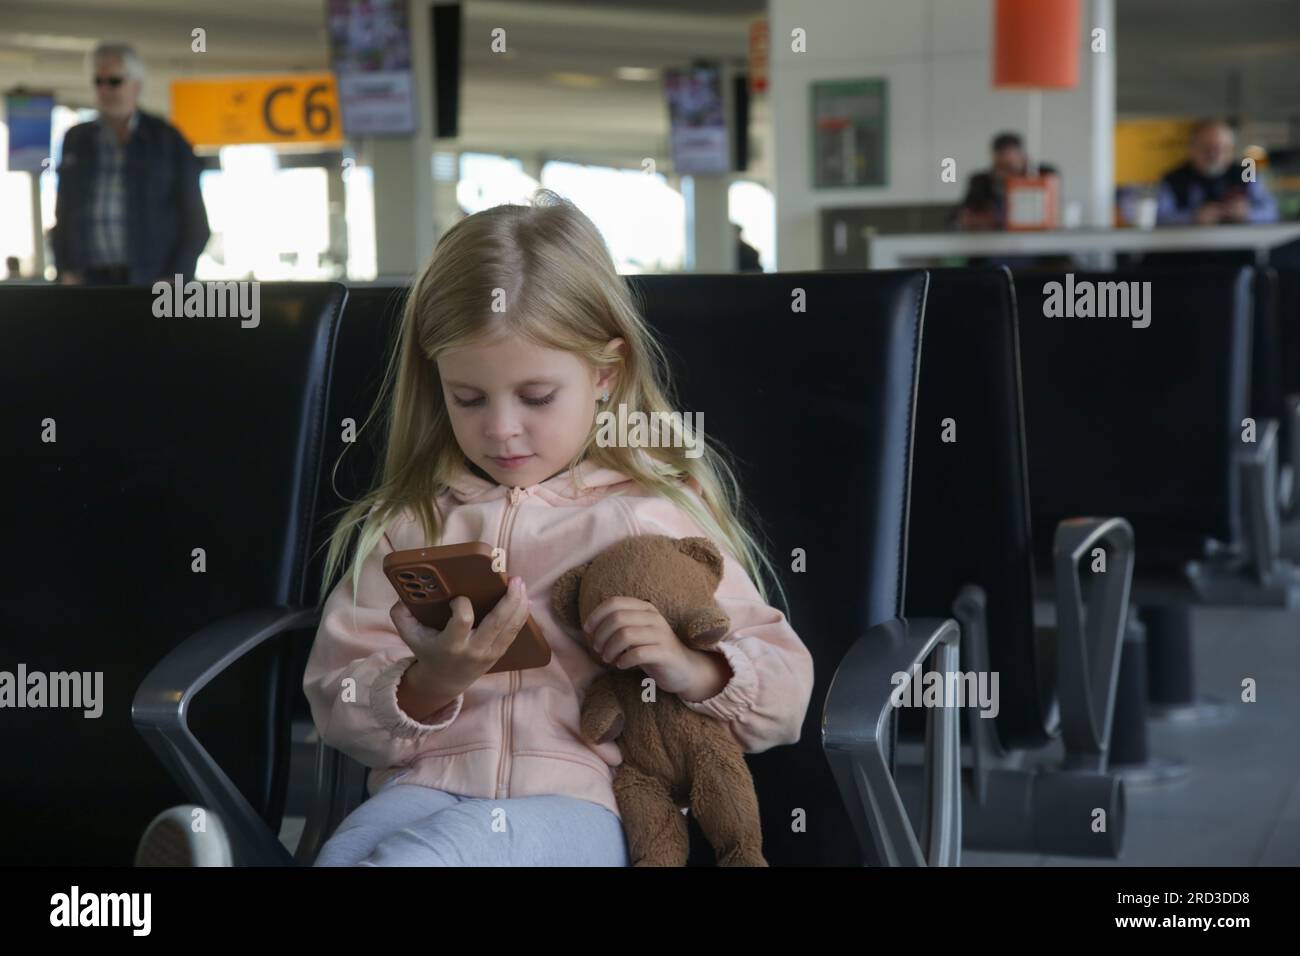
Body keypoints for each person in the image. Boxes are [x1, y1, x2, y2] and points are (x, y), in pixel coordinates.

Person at [137, 189, 813, 867]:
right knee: (354, 858)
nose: (501, 429)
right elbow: (335, 699)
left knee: (426, 857)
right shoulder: (412, 522)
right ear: (436, 386)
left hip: (582, 807)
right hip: (418, 787)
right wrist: (428, 684)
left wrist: (687, 664)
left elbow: (785, 695)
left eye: (536, 397)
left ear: (605, 375)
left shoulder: (655, 512)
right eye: (468, 398)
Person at [50, 42, 209, 286]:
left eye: (114, 81)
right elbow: (63, 214)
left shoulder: (167, 140)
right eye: (98, 81)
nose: (105, 89)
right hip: (87, 284)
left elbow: (195, 222)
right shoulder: (76, 140)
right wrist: (66, 270)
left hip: (153, 282)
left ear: (136, 84)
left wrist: (175, 278)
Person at [1155, 119, 1278, 226]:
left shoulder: (1247, 172)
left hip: (1240, 248)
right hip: (1186, 249)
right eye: (1206, 148)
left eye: (1223, 148)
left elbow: (1271, 211)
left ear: (1232, 150)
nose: (1215, 155)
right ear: (1192, 149)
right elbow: (1158, 218)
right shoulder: (1173, 178)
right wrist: (1192, 218)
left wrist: (1248, 213)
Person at [956, 131, 1058, 231]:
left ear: (1024, 158)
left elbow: (1052, 213)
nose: (1004, 173)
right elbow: (964, 215)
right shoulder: (980, 181)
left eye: (1009, 167)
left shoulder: (1044, 175)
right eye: (999, 167)